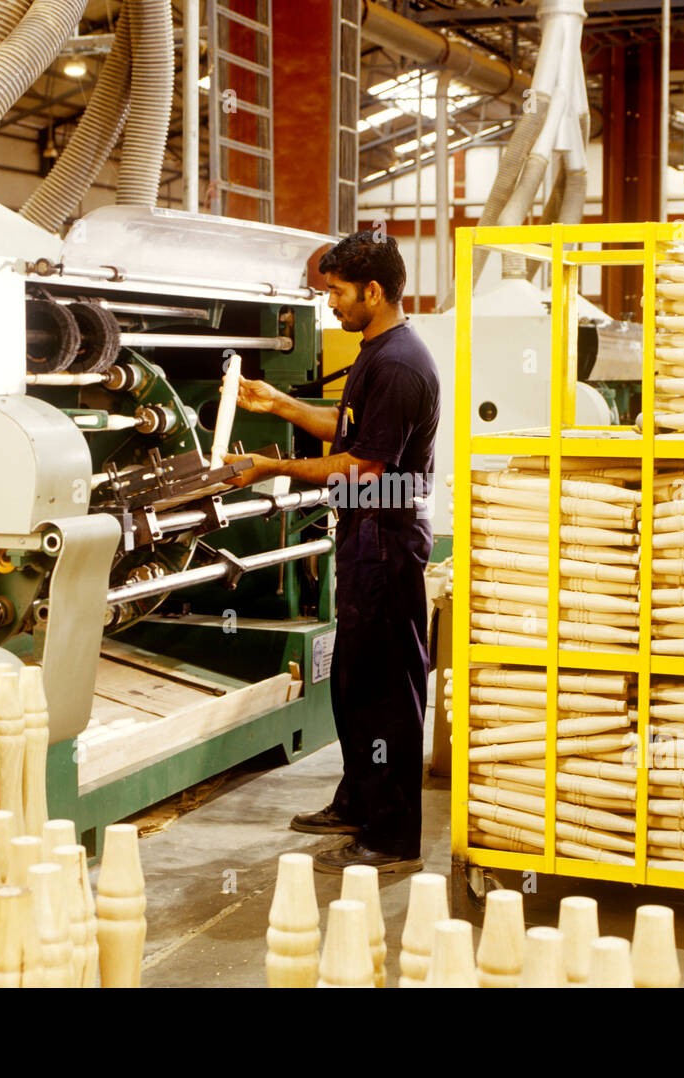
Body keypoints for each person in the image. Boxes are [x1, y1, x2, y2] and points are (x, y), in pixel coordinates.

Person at [224, 231, 439, 874]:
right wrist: (282, 403)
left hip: (385, 539)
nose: (332, 306)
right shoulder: (376, 352)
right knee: (353, 684)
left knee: (384, 692)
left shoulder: (399, 363)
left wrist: (271, 468)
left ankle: (391, 836)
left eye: (339, 293)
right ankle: (359, 802)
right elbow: (348, 431)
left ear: (374, 291)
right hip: (364, 536)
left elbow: (367, 466)